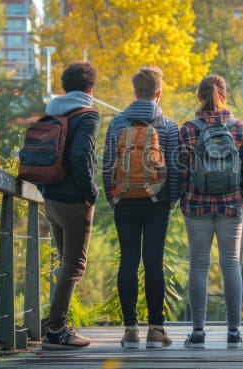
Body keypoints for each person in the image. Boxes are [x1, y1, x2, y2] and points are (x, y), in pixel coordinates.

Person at [103, 66, 180, 349]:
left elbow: (107, 165)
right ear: (158, 93)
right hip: (156, 202)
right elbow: (175, 167)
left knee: (128, 260)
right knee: (153, 261)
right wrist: (169, 201)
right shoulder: (168, 125)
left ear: (135, 91)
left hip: (124, 200)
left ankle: (130, 329)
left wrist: (114, 199)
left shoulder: (116, 124)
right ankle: (156, 329)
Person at [178, 75, 243, 349]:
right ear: (225, 95)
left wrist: (184, 199)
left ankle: (198, 331)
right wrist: (241, 199)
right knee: (231, 263)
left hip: (196, 205)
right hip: (231, 204)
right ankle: (234, 332)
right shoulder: (238, 128)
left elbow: (182, 170)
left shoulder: (187, 129)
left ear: (200, 97)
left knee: (198, 265)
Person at [40, 62, 101, 350]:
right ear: (91, 88)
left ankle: (56, 324)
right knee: (75, 265)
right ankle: (56, 329)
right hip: (74, 201)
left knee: (66, 264)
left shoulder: (51, 111)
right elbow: (80, 157)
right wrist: (91, 192)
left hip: (50, 197)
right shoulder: (88, 116)